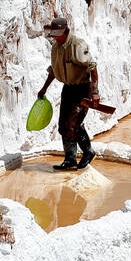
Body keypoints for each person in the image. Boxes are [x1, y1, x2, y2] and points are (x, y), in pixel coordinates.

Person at [37, 16, 99, 170]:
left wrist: (95, 92)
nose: (55, 38)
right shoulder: (56, 48)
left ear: (65, 32)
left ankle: (88, 151)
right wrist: (44, 88)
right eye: (54, 36)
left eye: (57, 36)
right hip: (68, 89)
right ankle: (70, 159)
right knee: (63, 127)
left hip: (83, 88)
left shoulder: (77, 45)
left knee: (73, 124)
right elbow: (53, 71)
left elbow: (92, 67)